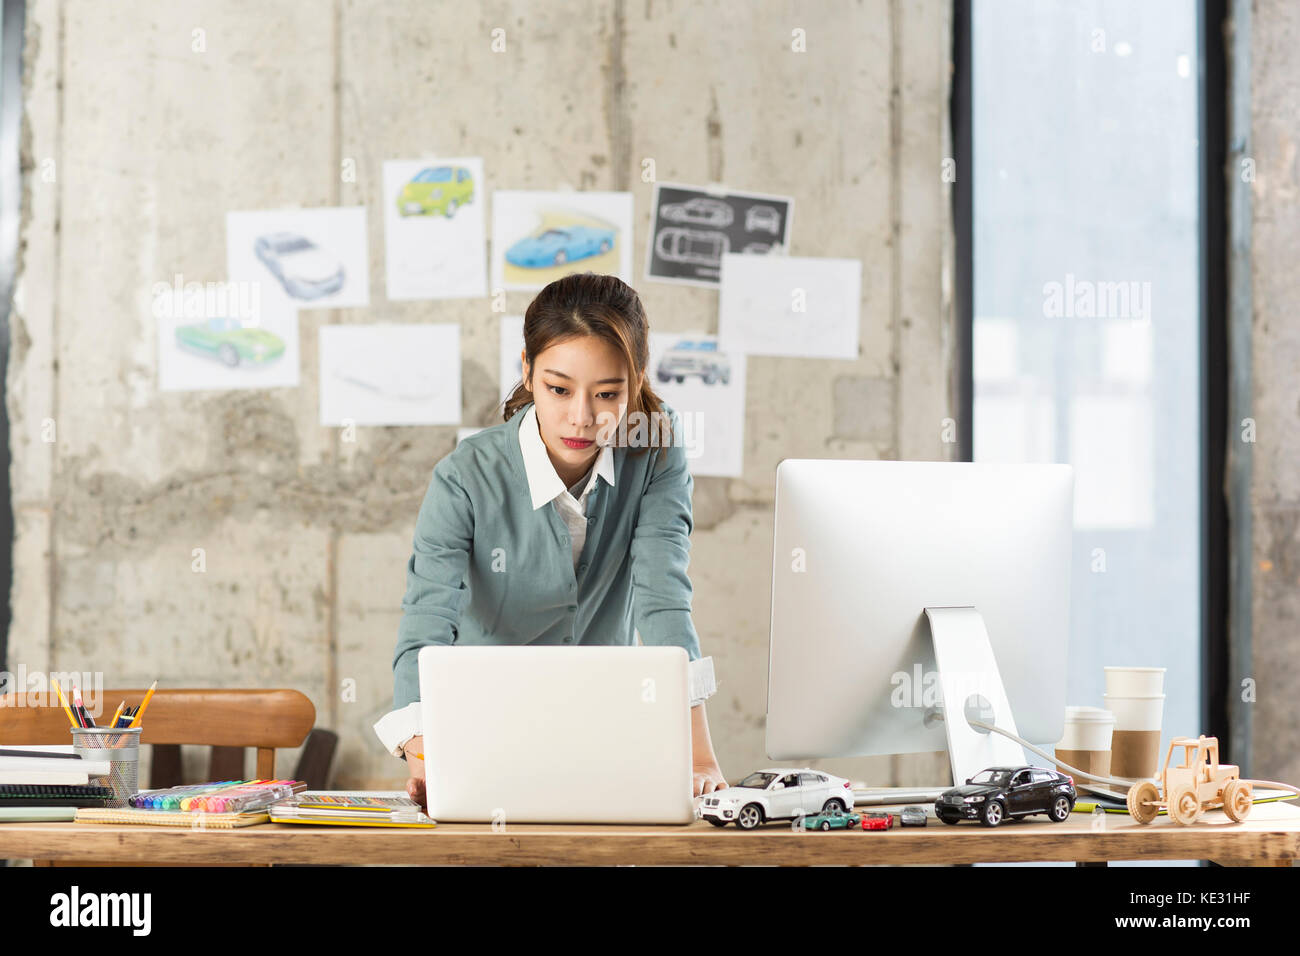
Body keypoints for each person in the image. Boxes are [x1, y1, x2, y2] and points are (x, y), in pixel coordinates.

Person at [373, 272, 727, 810]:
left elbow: (663, 597)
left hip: (607, 733)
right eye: (558, 389)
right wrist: (428, 760)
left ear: (636, 381)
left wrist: (699, 757)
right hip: (482, 735)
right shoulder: (465, 477)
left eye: (608, 394)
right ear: (528, 372)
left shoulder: (654, 447)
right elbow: (426, 625)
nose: (581, 418)